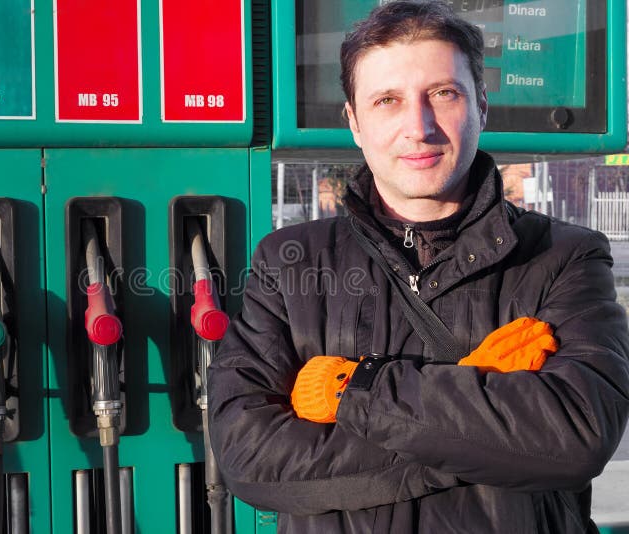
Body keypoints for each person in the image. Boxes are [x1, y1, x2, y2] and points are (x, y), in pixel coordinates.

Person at [207, 1, 629, 532]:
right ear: (354, 122)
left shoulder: (565, 257)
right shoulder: (289, 264)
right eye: (387, 100)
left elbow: (577, 436)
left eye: (443, 94)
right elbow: (249, 458)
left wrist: (352, 389)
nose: (419, 125)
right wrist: (486, 419)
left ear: (482, 106)